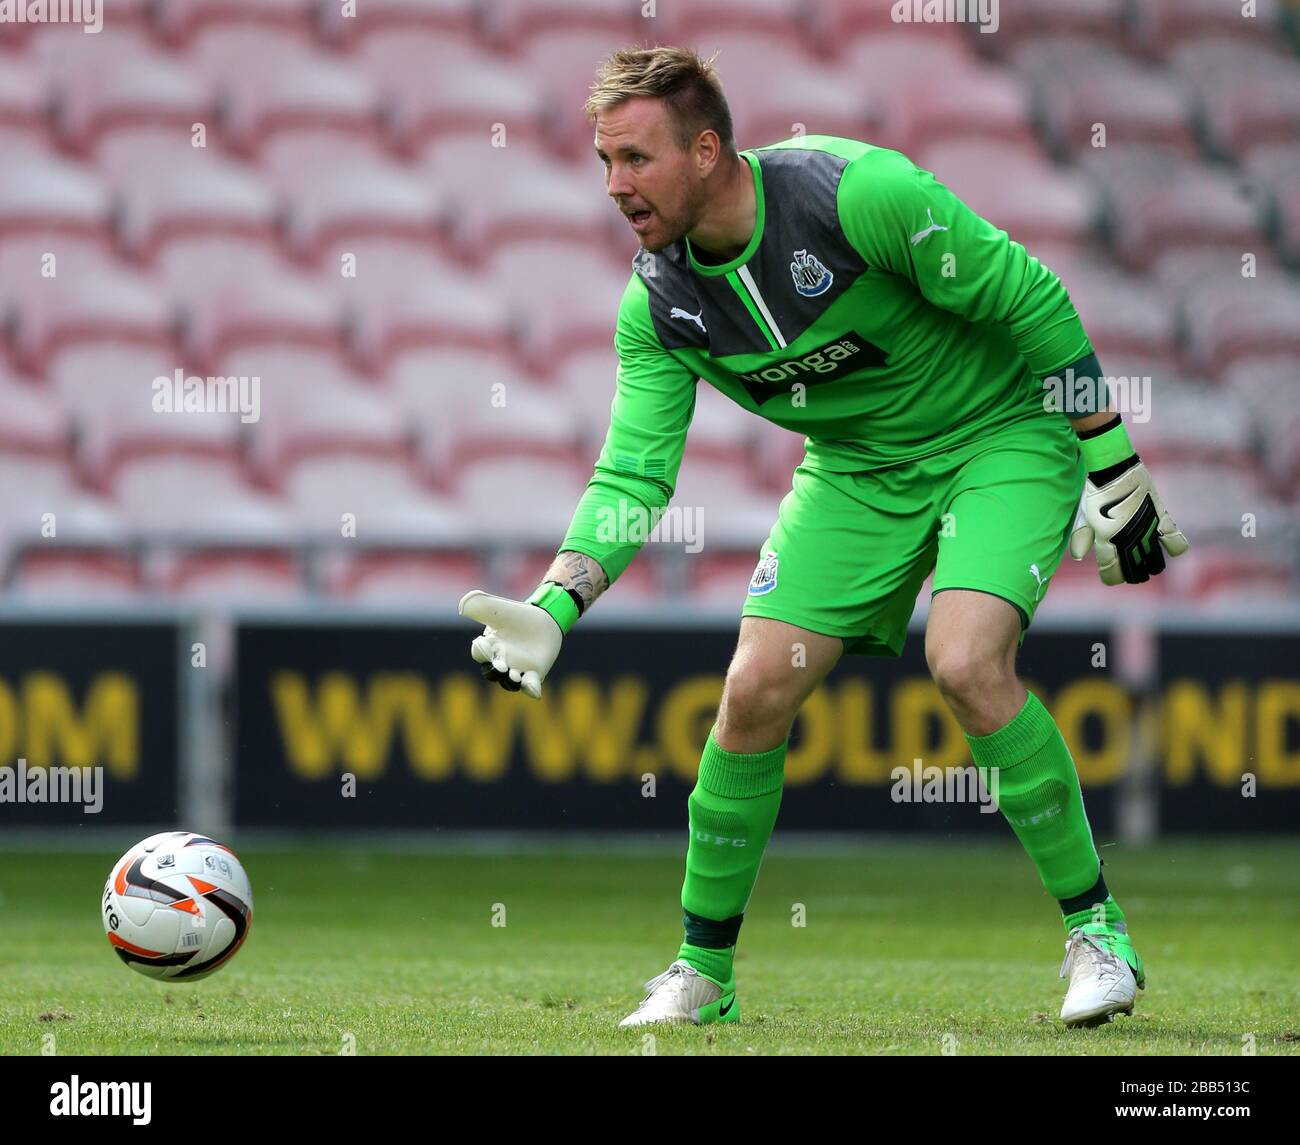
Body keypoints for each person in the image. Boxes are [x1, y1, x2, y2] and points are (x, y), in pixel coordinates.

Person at [459, 46, 1188, 1029]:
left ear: (708, 150)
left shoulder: (861, 193)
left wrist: (1114, 465)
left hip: (998, 434)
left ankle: (1097, 932)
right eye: (603, 161)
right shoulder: (661, 306)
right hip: (853, 469)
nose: (615, 185)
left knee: (964, 660)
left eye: (634, 159)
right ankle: (701, 973)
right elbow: (634, 474)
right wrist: (555, 604)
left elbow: (1034, 299)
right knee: (752, 691)